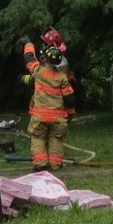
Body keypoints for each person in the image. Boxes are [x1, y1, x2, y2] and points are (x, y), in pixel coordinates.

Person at [20, 39, 74, 171]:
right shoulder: (62, 77)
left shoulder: (38, 71)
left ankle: (41, 165)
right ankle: (56, 165)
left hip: (40, 117)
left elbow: (29, 58)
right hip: (58, 118)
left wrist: (28, 43)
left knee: (38, 138)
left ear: (45, 59)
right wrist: (70, 114)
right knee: (56, 139)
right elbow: (69, 98)